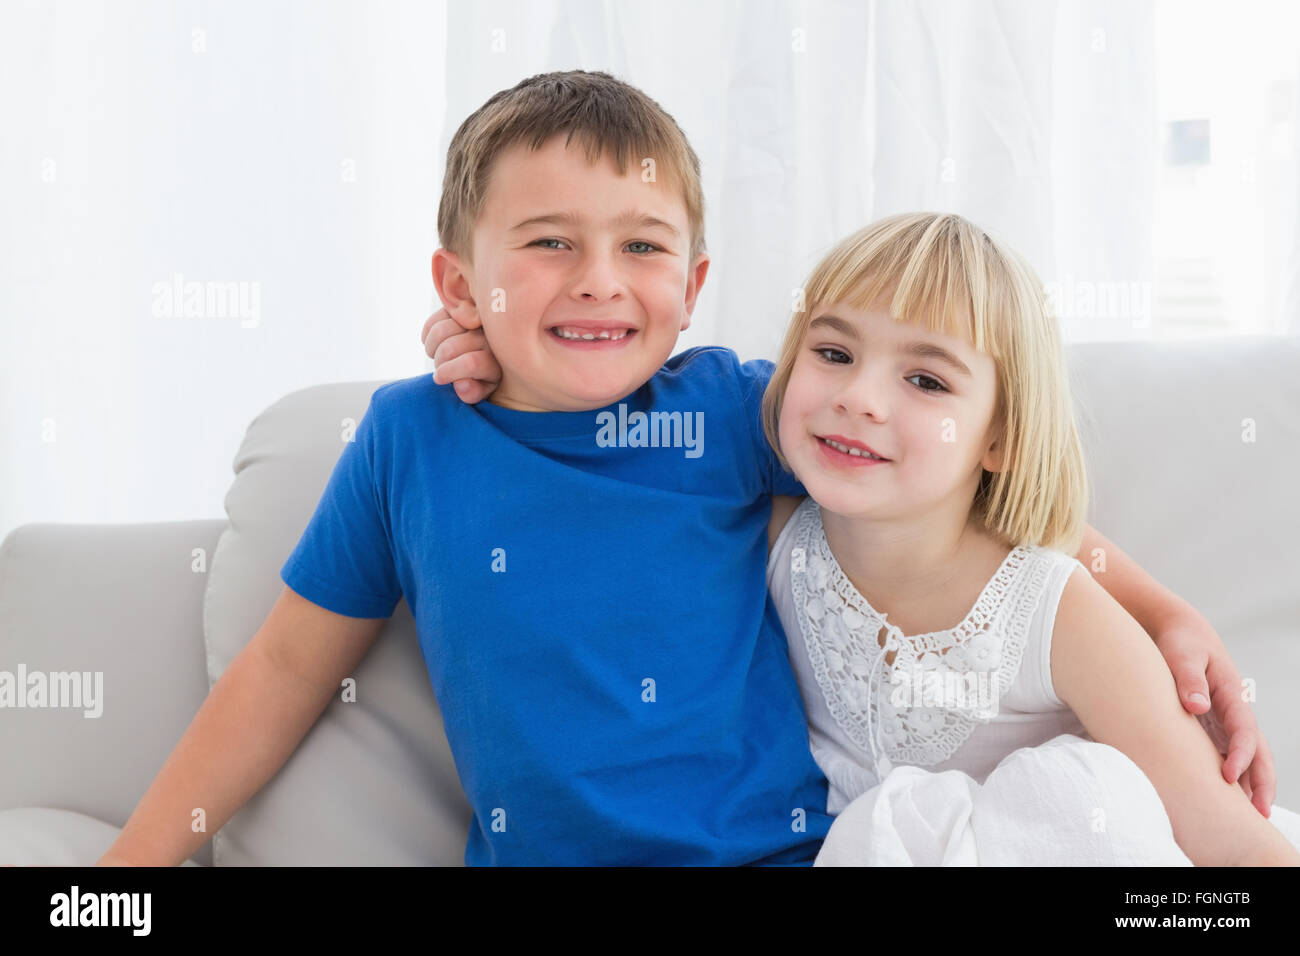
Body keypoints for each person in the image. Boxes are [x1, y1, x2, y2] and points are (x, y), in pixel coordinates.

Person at [98, 69, 1272, 867]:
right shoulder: (406, 439)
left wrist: (1157, 606)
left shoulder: (730, 407)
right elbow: (283, 668)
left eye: (642, 247)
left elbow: (951, 490)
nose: (601, 278)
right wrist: (128, 869)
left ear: (693, 288)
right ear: (461, 284)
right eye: (549, 243)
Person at [758, 211, 1300, 865]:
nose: (859, 396)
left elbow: (1241, 851)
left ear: (1001, 438)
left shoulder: (1059, 614)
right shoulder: (773, 545)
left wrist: (1165, 611)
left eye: (926, 380)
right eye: (834, 353)